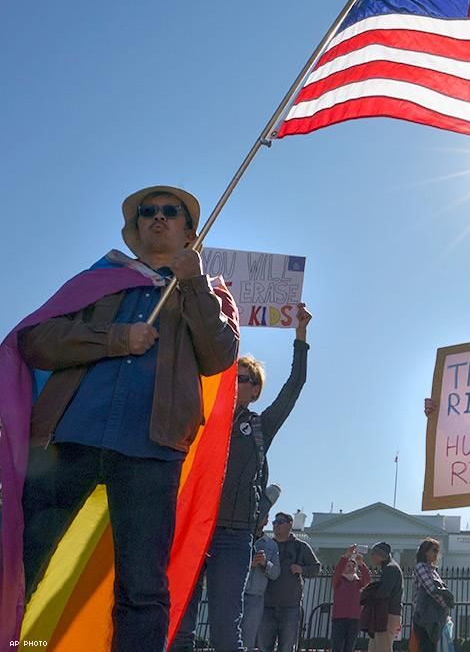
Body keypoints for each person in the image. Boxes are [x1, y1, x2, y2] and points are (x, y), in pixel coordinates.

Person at [16, 185, 239, 650]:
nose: (158, 216)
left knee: (142, 588)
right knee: (21, 566)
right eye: (147, 211)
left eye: (170, 211)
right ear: (135, 227)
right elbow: (37, 341)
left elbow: (219, 355)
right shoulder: (98, 279)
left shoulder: (210, 292)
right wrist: (116, 338)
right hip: (68, 441)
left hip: (151, 450)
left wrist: (194, 283)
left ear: (189, 232)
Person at [173, 305, 313, 652]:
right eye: (233, 376)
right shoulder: (200, 417)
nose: (236, 382)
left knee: (226, 629)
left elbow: (294, 387)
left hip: (233, 536)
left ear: (255, 391)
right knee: (180, 628)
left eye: (244, 378)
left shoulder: (260, 427)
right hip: (193, 527)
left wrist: (300, 336)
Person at [258, 511, 320, 652]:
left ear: (290, 525)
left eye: (280, 522)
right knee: (263, 646)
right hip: (266, 604)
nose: (276, 525)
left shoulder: (300, 547)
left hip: (290, 607)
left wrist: (302, 569)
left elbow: (316, 568)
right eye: (274, 522)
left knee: (286, 647)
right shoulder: (267, 545)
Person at [242, 507, 282, 652]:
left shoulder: (271, 545)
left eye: (263, 515)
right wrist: (248, 565)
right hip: (234, 593)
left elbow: (275, 573)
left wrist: (265, 563)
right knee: (226, 635)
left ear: (266, 521)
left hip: (255, 597)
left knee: (247, 639)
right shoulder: (240, 538)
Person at [412, 538, 454, 652]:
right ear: (425, 552)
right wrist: (445, 605)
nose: (436, 554)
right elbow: (431, 589)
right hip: (424, 615)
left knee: (432, 647)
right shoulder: (420, 567)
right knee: (426, 646)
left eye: (437, 551)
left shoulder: (433, 570)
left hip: (434, 616)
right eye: (434, 550)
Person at [360, 541, 403, 652]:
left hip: (387, 614)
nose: (371, 556)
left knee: (383, 648)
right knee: (374, 648)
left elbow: (384, 593)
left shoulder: (390, 569)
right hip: (384, 614)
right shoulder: (388, 568)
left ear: (380, 555)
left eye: (373, 554)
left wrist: (368, 593)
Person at [331, 544, 371, 652]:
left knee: (349, 647)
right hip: (339, 619)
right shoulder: (338, 581)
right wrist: (346, 556)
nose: (351, 567)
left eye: (353, 566)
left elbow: (367, 579)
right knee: (337, 647)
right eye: (348, 566)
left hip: (354, 619)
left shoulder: (358, 583)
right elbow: (337, 571)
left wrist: (361, 564)